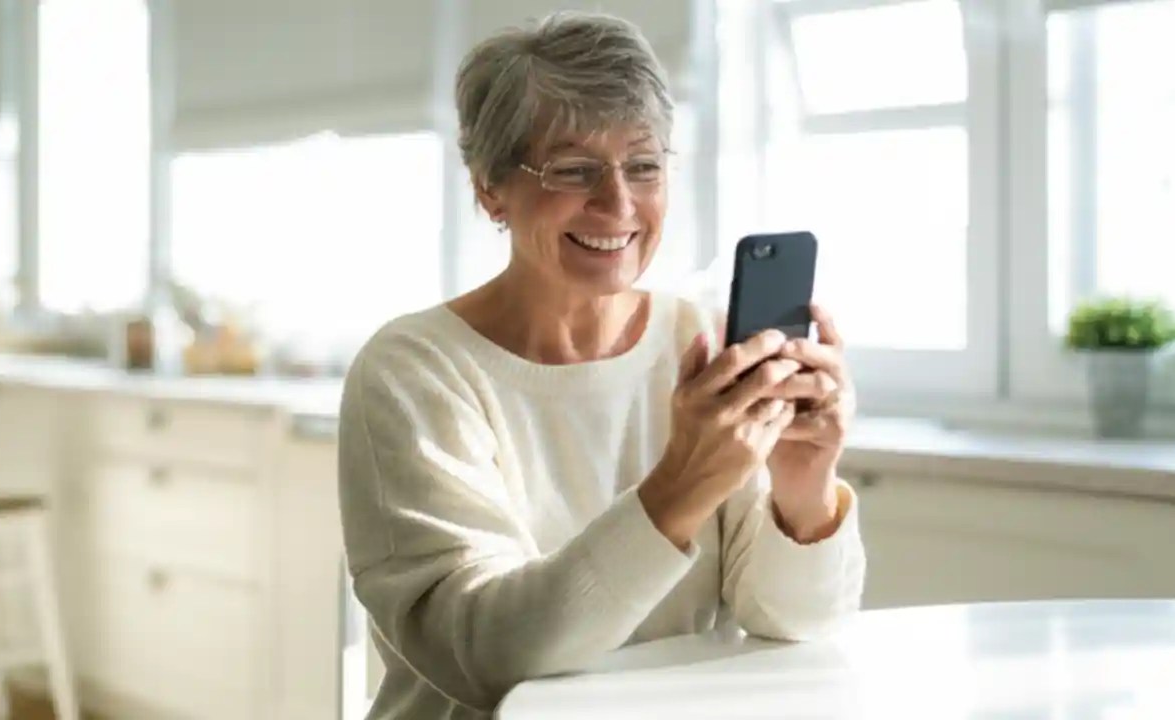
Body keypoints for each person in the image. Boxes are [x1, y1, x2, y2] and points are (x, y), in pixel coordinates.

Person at [338, 11, 866, 719]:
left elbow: (795, 622)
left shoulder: (701, 344)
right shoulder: (413, 373)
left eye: (643, 166)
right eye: (573, 169)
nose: (618, 203)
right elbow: (492, 660)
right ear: (490, 187)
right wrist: (680, 485)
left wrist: (804, 488)